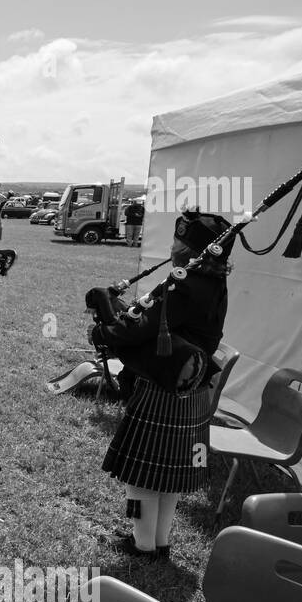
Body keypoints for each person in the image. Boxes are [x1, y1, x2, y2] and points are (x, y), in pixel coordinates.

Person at [91, 208, 231, 560]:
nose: (173, 246)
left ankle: (141, 543)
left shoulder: (183, 285)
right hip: (192, 390)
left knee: (140, 477)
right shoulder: (214, 282)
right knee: (168, 477)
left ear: (192, 248)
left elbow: (138, 328)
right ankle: (159, 542)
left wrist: (103, 330)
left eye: (179, 240)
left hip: (164, 389)